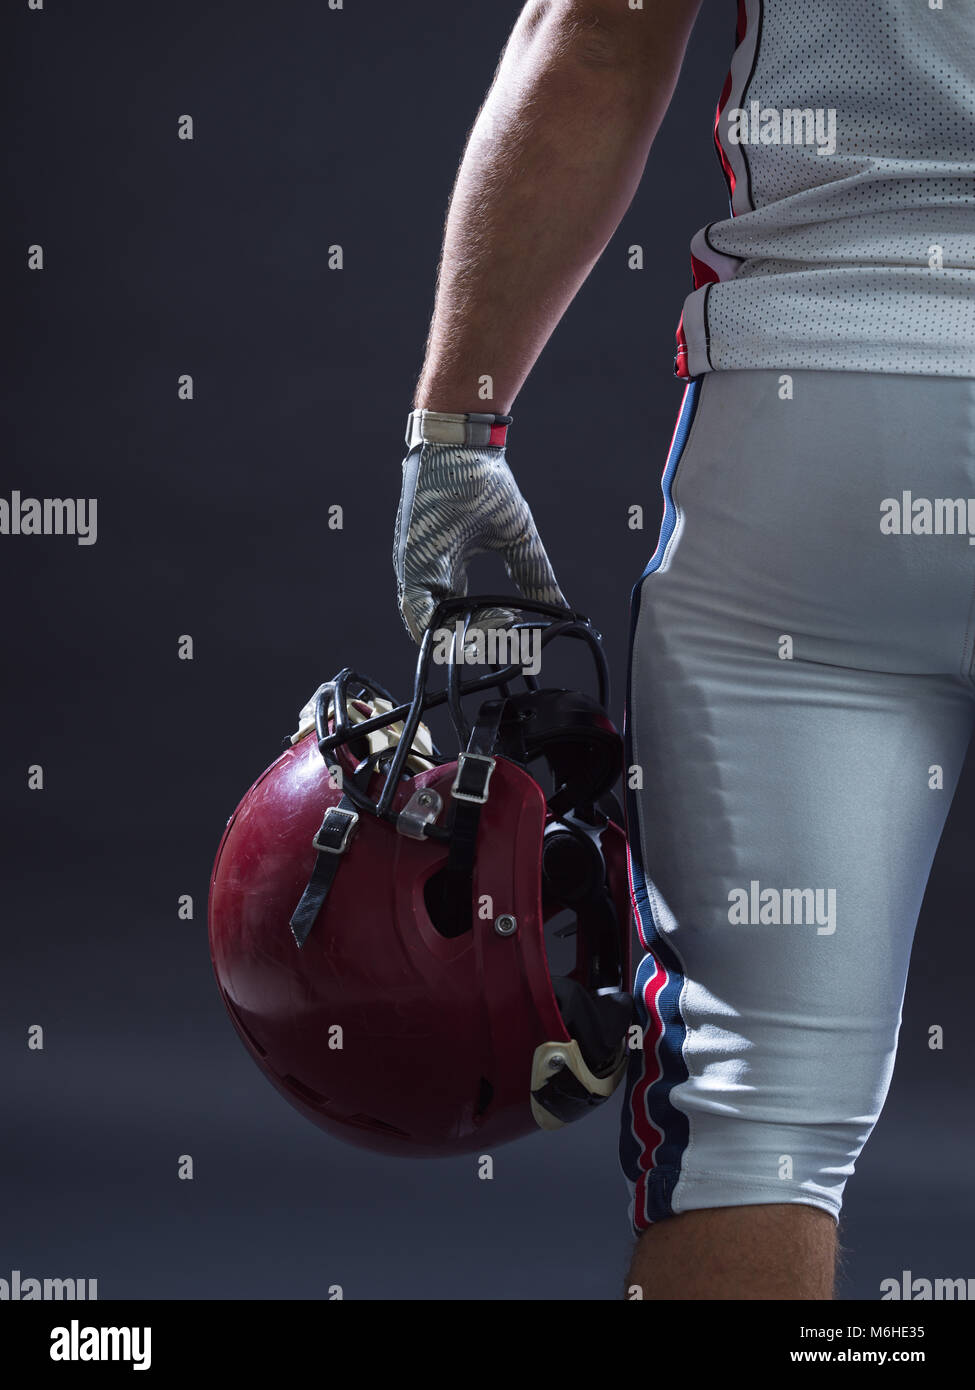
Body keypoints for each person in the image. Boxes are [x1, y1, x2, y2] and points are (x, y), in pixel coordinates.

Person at [392, 0, 975, 1300]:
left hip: (820, 414)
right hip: (818, 394)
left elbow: (597, 30)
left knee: (750, 1106)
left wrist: (455, 432)